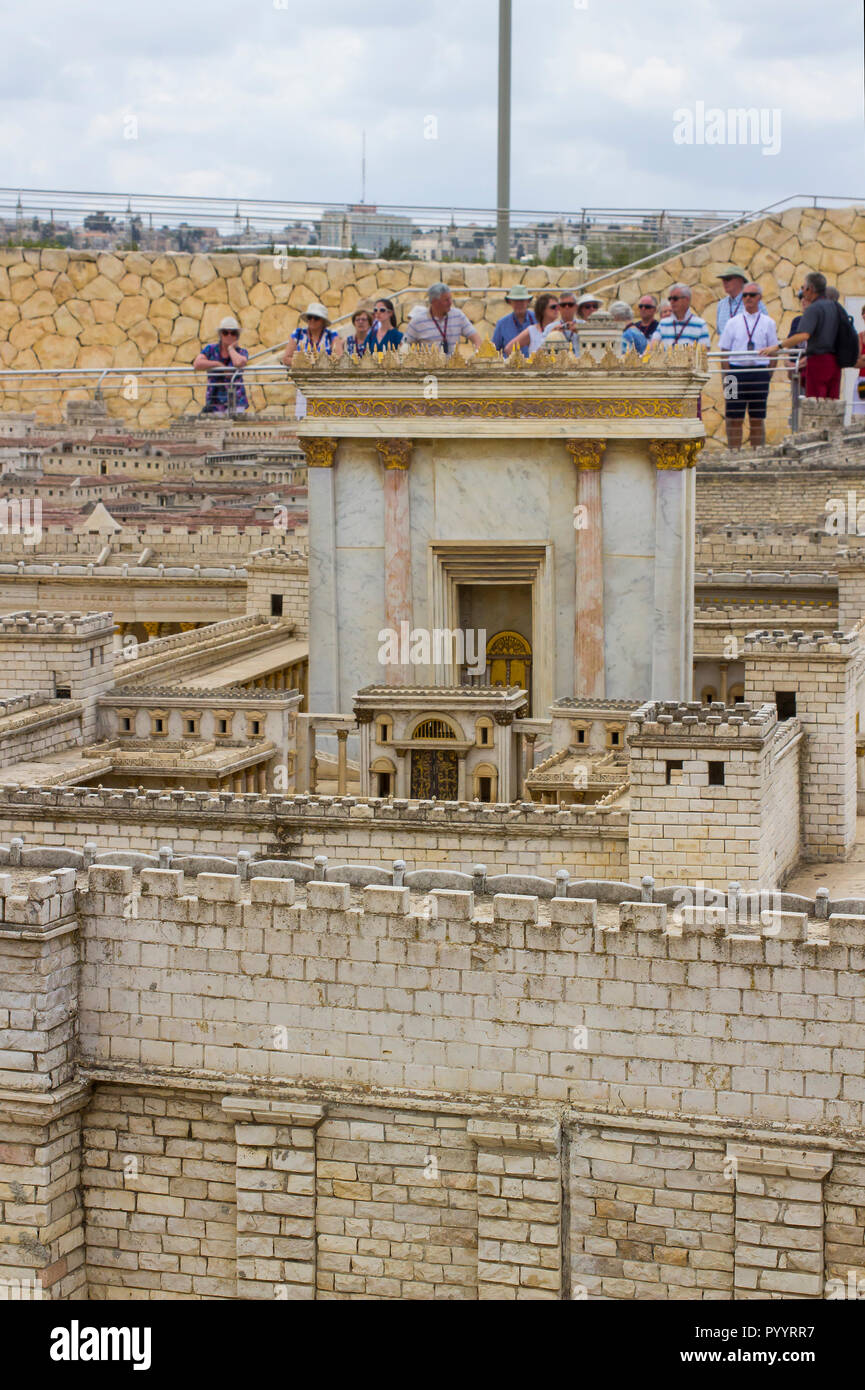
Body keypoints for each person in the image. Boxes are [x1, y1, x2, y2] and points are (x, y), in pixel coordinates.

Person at [760, 272, 840, 399]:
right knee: (806, 408)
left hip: (817, 369)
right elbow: (793, 342)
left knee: (814, 406)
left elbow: (804, 336)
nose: (803, 300)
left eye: (804, 291)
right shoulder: (801, 319)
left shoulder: (818, 312)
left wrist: (777, 347)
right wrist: (788, 362)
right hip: (810, 372)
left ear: (810, 289)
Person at [718, 283, 778, 449]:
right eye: (745, 295)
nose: (748, 299)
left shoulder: (768, 323)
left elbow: (774, 351)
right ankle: (733, 454)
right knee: (733, 417)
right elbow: (724, 351)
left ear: (759, 297)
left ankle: (757, 454)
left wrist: (768, 374)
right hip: (735, 372)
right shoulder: (732, 322)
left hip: (758, 373)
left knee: (757, 418)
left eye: (752, 295)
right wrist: (727, 376)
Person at [193, 316, 249, 415]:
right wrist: (218, 364)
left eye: (233, 333)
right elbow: (197, 364)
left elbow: (238, 363)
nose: (229, 336)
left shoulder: (242, 352)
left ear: (237, 336)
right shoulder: (210, 349)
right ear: (220, 334)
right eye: (225, 333)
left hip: (236, 400)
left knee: (234, 429)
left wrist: (231, 348)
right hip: (214, 401)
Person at [404, 283, 482, 354]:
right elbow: (404, 345)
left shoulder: (458, 315)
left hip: (453, 367)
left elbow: (476, 339)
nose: (450, 302)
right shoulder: (417, 321)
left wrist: (477, 354)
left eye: (450, 298)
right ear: (434, 302)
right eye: (446, 300)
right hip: (429, 368)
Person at [281, 301, 344, 366]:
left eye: (316, 318)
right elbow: (286, 358)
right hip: (301, 375)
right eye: (309, 317)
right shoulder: (298, 333)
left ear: (323, 321)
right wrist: (304, 363)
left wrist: (321, 363)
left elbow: (339, 359)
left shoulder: (332, 335)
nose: (312, 320)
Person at [716, 266, 767, 334]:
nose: (724, 282)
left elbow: (766, 329)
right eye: (723, 279)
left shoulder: (755, 302)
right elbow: (720, 333)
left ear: (740, 280)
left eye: (728, 279)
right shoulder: (721, 305)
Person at [656, 284, 711, 348]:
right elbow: (652, 347)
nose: (671, 301)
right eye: (670, 299)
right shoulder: (663, 323)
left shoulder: (700, 324)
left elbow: (704, 352)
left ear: (686, 300)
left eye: (675, 299)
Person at [492, 286, 536, 356]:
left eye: (521, 301)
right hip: (509, 366)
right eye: (515, 301)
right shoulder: (502, 324)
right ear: (510, 302)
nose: (519, 304)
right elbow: (493, 350)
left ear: (528, 301)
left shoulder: (537, 319)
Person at [852, 306, 865, 418]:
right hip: (862, 380)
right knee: (859, 417)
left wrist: (863, 358)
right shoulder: (859, 337)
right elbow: (855, 362)